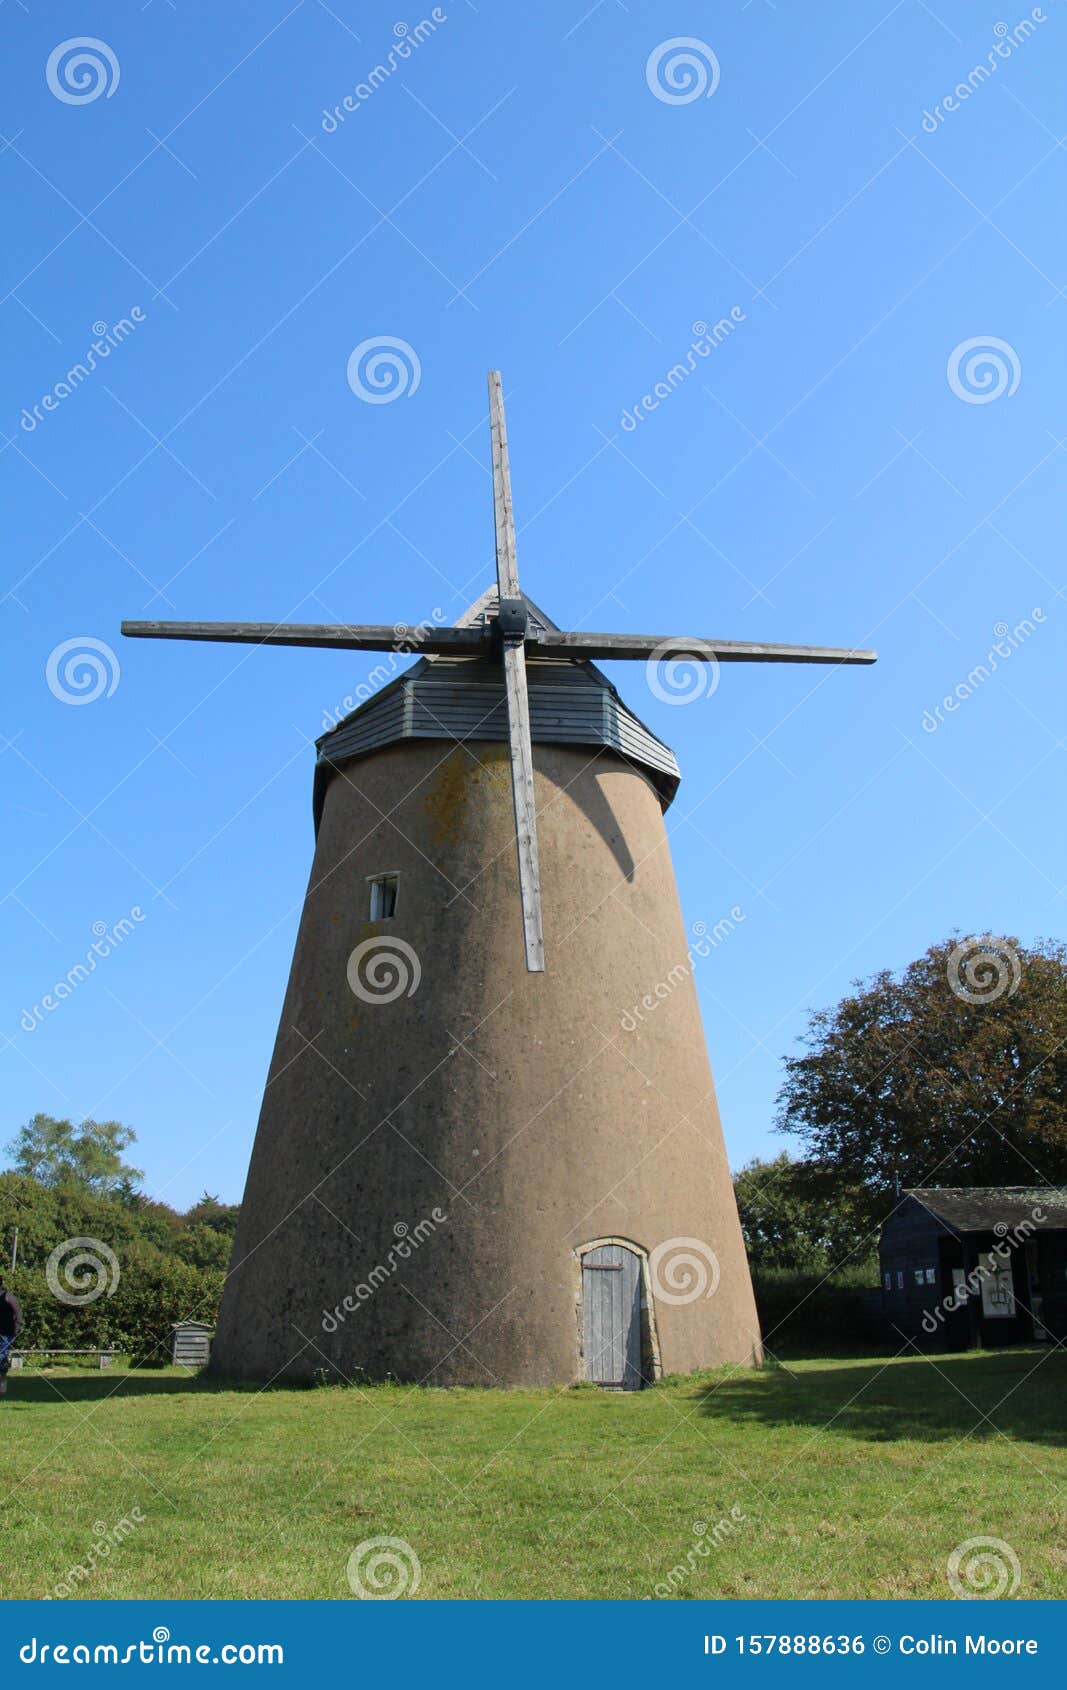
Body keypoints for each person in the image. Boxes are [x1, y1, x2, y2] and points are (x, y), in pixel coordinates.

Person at [0, 1275, 22, 1397]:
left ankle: (3, 1381)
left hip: (6, 1333)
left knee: (1, 1356)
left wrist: (18, 1326)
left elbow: (18, 1312)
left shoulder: (8, 1296)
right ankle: (3, 1383)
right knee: (2, 1359)